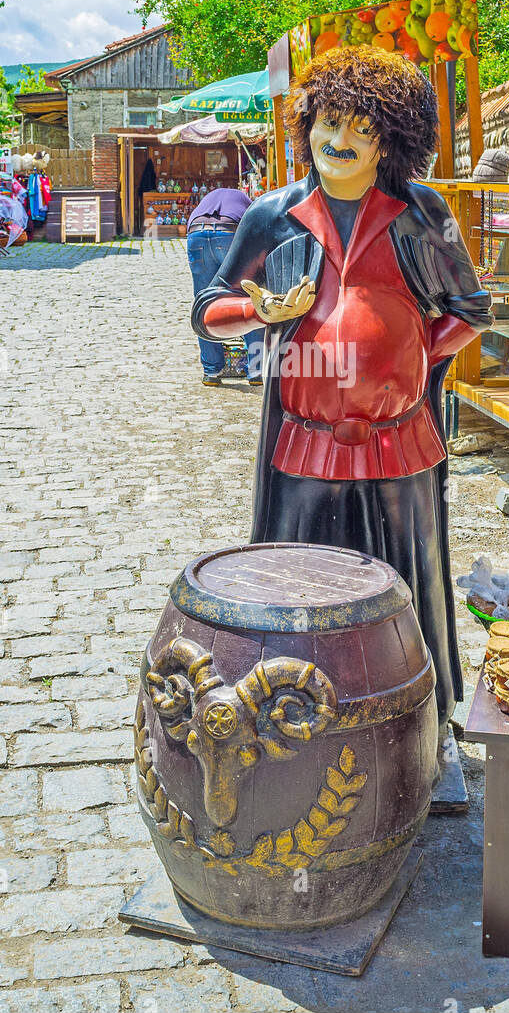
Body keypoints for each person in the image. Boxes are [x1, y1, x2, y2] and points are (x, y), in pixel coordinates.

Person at [192, 46, 492, 719]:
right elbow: (208, 312)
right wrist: (254, 311)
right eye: (330, 121)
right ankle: (294, 718)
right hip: (304, 442)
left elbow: (472, 310)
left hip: (399, 440)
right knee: (297, 587)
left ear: (391, 139)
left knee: (405, 587)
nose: (341, 141)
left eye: (363, 127)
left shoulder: (423, 210)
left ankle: (419, 722)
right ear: (306, 126)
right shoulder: (270, 215)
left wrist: (417, 362)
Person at [187, 185, 265, 387]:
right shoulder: (248, 203)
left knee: (205, 302)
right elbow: (256, 232)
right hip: (229, 234)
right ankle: (256, 370)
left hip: (196, 235)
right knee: (246, 298)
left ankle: (212, 371)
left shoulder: (207, 200)